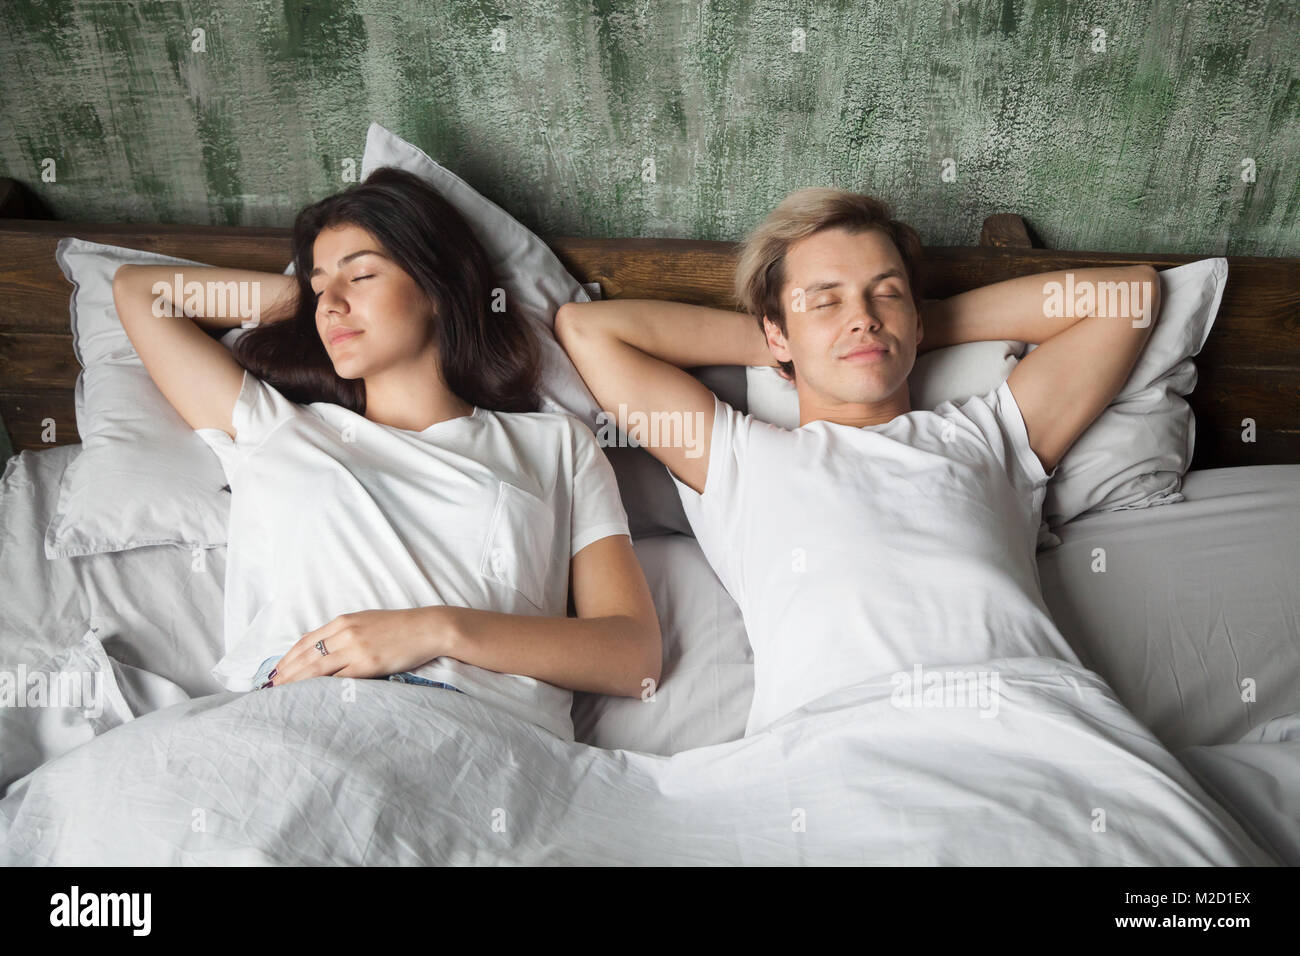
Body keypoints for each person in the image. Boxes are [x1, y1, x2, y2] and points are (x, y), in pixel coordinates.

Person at [557, 187, 1160, 737]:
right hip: (832, 743)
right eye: (824, 300)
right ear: (776, 333)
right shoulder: (740, 460)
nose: (863, 315)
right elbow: (586, 330)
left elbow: (1129, 297)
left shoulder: (985, 436)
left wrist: (908, 329)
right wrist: (795, 347)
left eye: (886, 293)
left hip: (1032, 723)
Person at [111, 166, 660, 742]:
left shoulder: (554, 445)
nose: (331, 304)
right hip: (285, 724)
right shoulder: (276, 429)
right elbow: (137, 291)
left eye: (363, 274)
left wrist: (433, 631)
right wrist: (313, 300)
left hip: (473, 733)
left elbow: (633, 654)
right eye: (320, 286)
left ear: (437, 289)